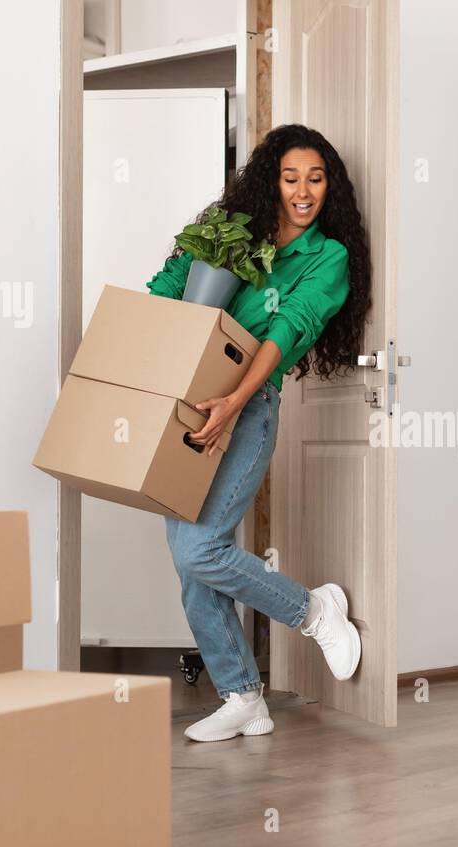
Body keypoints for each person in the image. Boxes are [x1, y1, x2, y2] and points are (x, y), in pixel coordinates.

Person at [147, 124, 372, 742]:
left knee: (201, 549)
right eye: (291, 177)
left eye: (317, 179)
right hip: (188, 401)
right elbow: (165, 292)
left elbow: (288, 329)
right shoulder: (231, 231)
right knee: (190, 564)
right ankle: (243, 695)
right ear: (271, 179)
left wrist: (235, 400)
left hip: (247, 409)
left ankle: (314, 610)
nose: (303, 191)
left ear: (331, 187)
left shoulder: (328, 257)